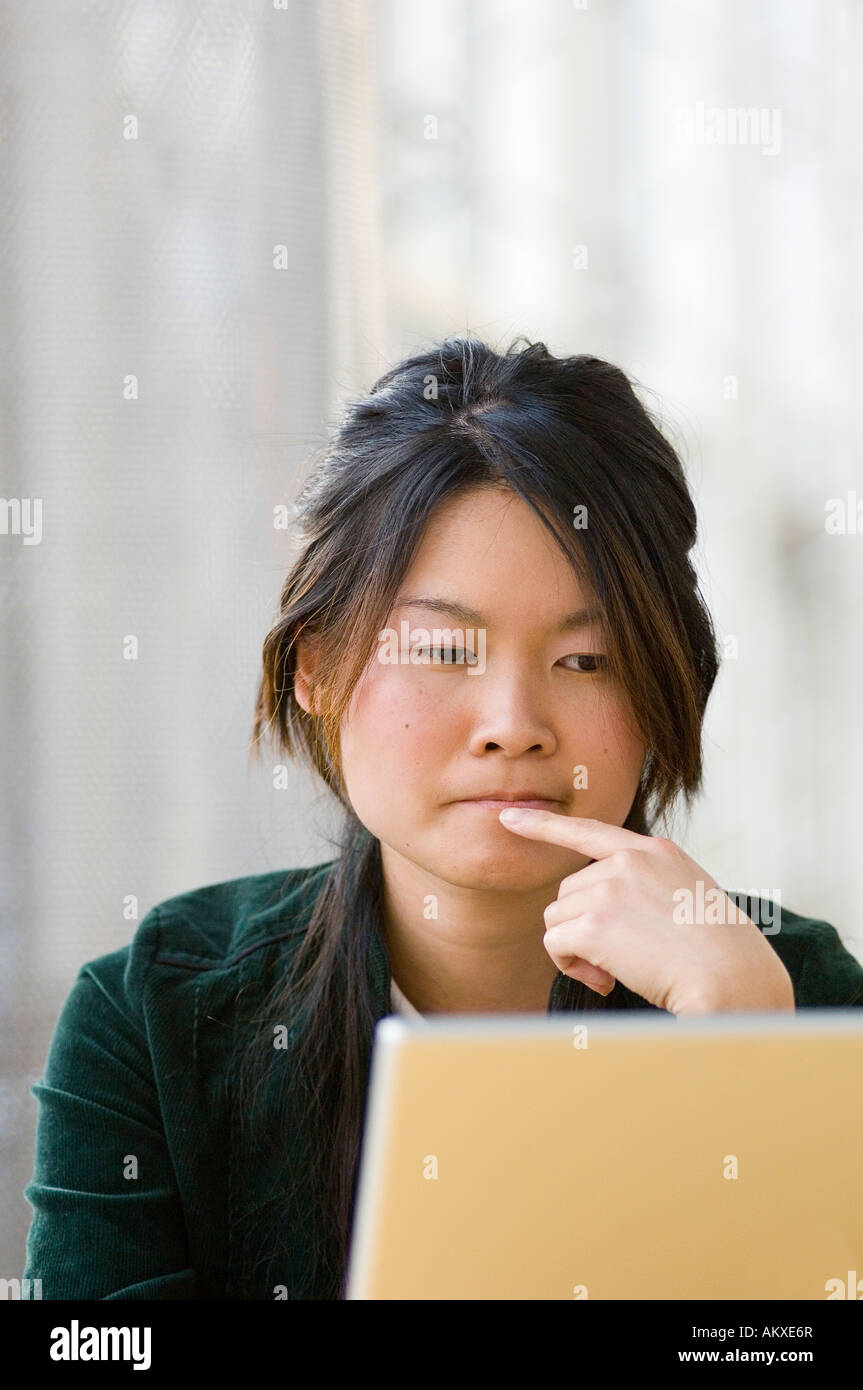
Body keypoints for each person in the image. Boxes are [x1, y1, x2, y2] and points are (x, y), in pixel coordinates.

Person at [22, 335, 863, 1301]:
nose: (513, 726)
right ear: (317, 668)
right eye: (444, 650)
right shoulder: (157, 1017)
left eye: (585, 661)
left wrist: (749, 1056)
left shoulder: (788, 988)